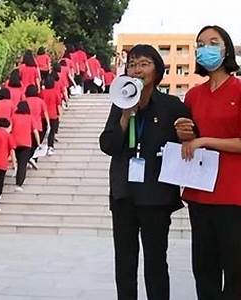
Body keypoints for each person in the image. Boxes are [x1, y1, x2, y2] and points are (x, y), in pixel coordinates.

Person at [174, 25, 241, 300]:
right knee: (204, 268)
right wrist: (183, 131)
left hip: (233, 193)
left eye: (214, 42)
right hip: (200, 191)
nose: (206, 47)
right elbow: (189, 137)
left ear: (226, 49)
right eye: (201, 43)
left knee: (234, 269)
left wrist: (204, 141)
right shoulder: (193, 95)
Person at [99, 44, 191, 300]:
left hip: (156, 198)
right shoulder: (120, 104)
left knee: (156, 262)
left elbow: (189, 139)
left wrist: (188, 135)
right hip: (124, 196)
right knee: (125, 263)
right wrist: (126, 114)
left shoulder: (172, 105)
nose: (136, 69)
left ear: (156, 70)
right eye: (131, 64)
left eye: (144, 63)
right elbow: (108, 145)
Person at [11, 101, 40, 192]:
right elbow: (35, 131)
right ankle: (19, 184)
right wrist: (38, 143)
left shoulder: (13, 117)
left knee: (18, 160)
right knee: (22, 164)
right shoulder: (30, 118)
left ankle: (15, 169)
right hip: (26, 143)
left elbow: (10, 129)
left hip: (14, 142)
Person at [25, 85, 49, 168]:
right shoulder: (40, 101)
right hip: (38, 125)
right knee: (36, 144)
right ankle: (32, 158)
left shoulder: (24, 101)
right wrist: (48, 124)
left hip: (27, 126)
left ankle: (28, 158)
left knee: (29, 144)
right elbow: (45, 113)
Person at [40, 75, 63, 155]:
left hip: (43, 115)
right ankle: (50, 147)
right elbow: (58, 105)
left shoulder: (42, 92)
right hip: (53, 115)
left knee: (43, 131)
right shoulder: (55, 92)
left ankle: (38, 145)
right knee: (52, 132)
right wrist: (60, 115)